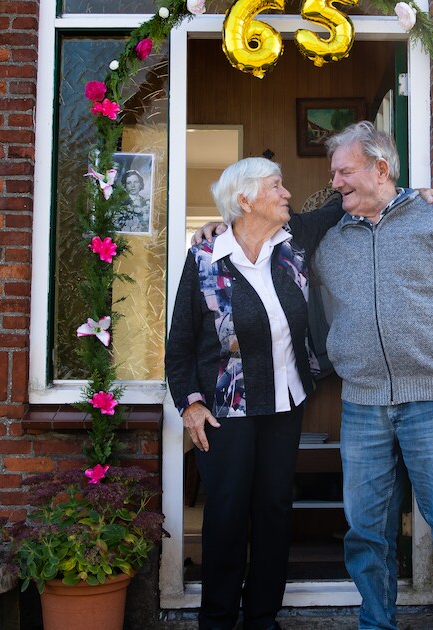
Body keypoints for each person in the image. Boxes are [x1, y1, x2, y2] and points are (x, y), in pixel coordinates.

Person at [312, 121, 433, 630]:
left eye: (344, 171)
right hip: (363, 404)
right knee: (365, 530)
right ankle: (376, 623)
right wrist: (216, 228)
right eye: (334, 174)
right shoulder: (330, 243)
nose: (336, 183)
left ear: (381, 168)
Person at [165, 157, 344, 630]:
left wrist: (417, 196)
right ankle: (219, 619)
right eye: (276, 185)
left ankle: (263, 616)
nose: (286, 193)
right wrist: (190, 403)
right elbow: (180, 343)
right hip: (227, 409)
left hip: (285, 404)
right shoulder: (205, 259)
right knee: (225, 512)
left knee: (273, 511)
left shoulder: (294, 241)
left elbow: (346, 197)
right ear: (245, 199)